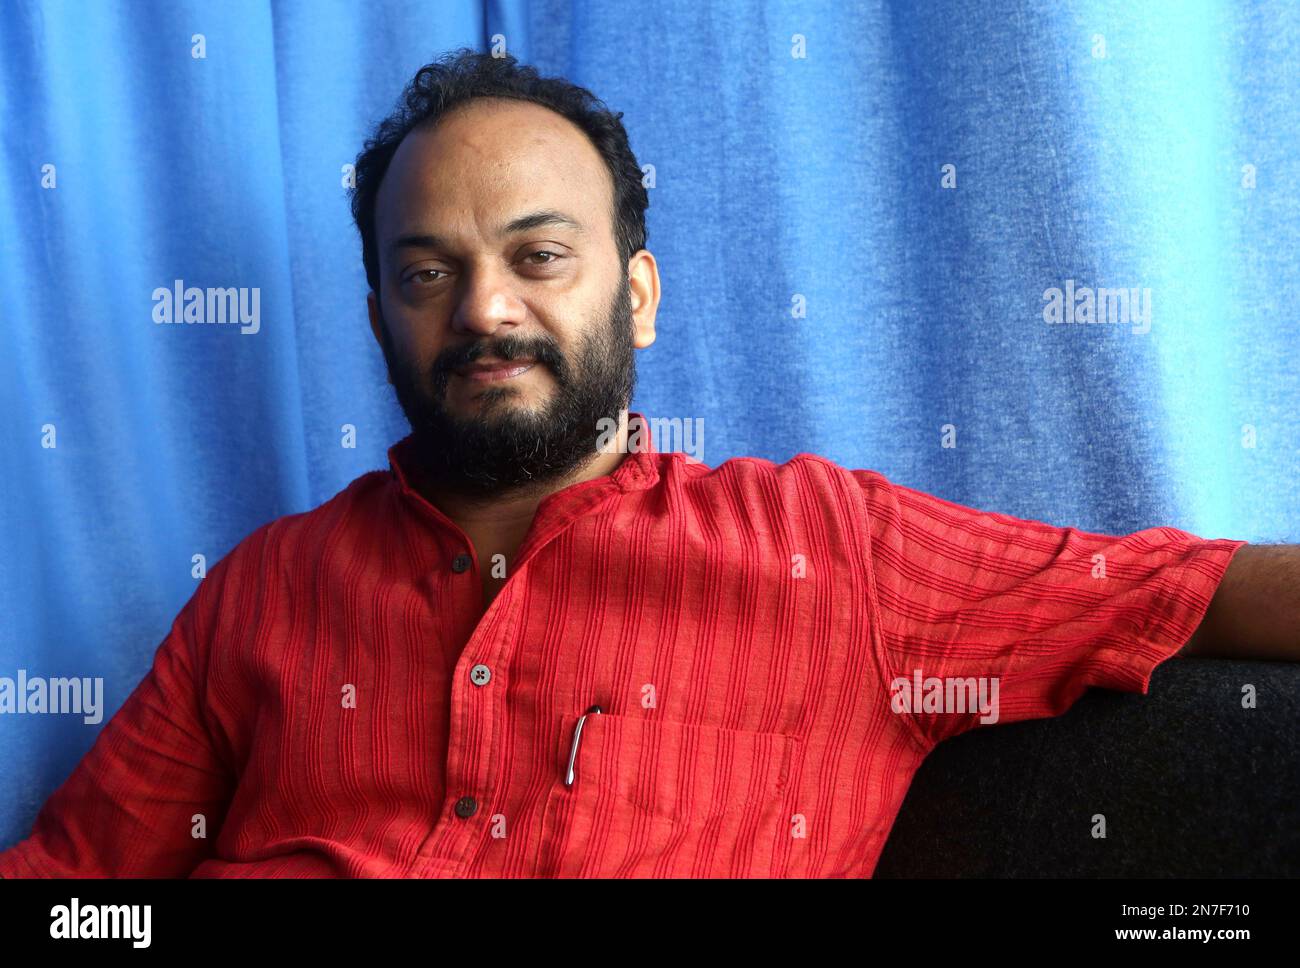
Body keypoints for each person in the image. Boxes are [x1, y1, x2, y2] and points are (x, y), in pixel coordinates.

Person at [0, 48, 1294, 879]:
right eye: (426, 271)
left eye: (538, 255)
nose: (484, 311)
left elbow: (1175, 584)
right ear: (382, 310)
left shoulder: (827, 549)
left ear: (639, 294)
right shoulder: (264, 592)